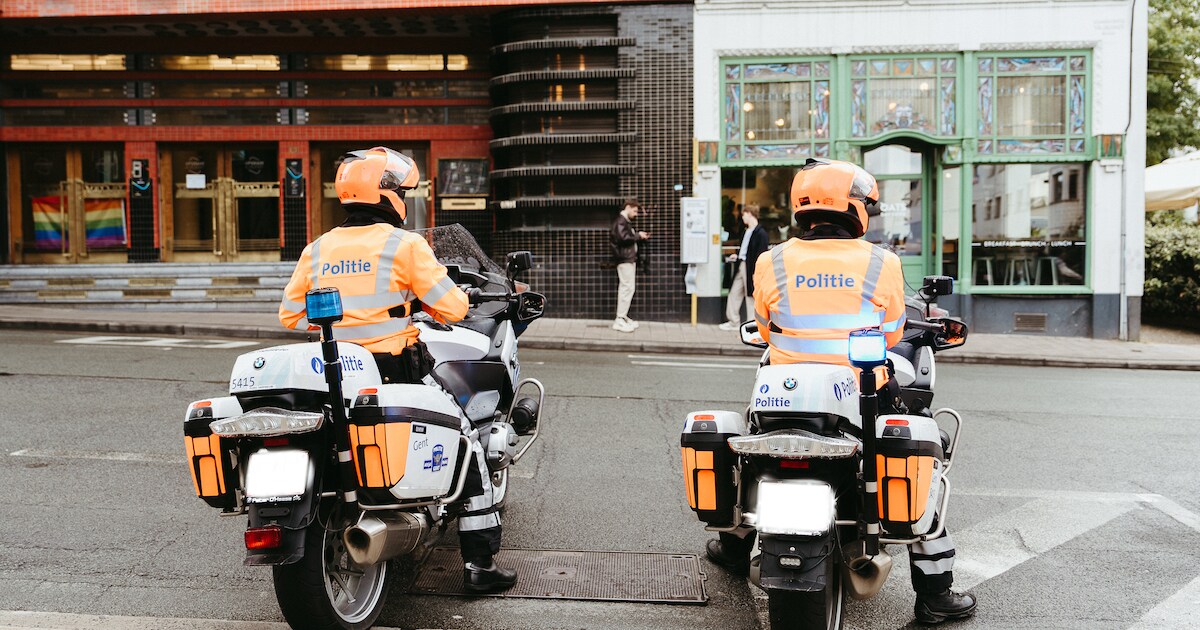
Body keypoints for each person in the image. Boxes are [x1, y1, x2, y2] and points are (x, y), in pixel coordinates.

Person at [706, 158, 977, 625]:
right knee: (917, 453)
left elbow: (767, 329)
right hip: (859, 396)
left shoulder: (770, 260)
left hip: (784, 397)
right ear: (854, 207)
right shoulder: (881, 261)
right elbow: (892, 333)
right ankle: (935, 594)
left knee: (751, 451)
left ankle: (733, 546)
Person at [277, 147, 516, 594]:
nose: (405, 199)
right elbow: (454, 305)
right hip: (391, 371)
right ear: (385, 194)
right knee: (470, 442)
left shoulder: (318, 247)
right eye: (403, 191)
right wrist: (412, 302)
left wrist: (342, 316)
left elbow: (290, 315)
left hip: (332, 374)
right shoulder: (404, 245)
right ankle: (479, 566)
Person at [718, 203, 769, 331]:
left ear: (750, 214)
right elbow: (745, 250)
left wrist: (756, 272)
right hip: (741, 264)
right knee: (734, 293)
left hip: (750, 268)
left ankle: (752, 325)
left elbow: (761, 254)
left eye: (744, 214)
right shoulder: (746, 232)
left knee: (750, 296)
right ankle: (734, 321)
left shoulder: (761, 233)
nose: (742, 217)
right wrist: (738, 256)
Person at [610, 198, 650, 333]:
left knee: (628, 288)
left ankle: (623, 316)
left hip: (627, 259)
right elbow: (623, 238)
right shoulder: (621, 222)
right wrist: (638, 235)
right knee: (626, 288)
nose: (636, 214)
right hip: (625, 260)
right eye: (634, 210)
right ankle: (619, 319)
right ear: (628, 207)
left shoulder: (624, 222)